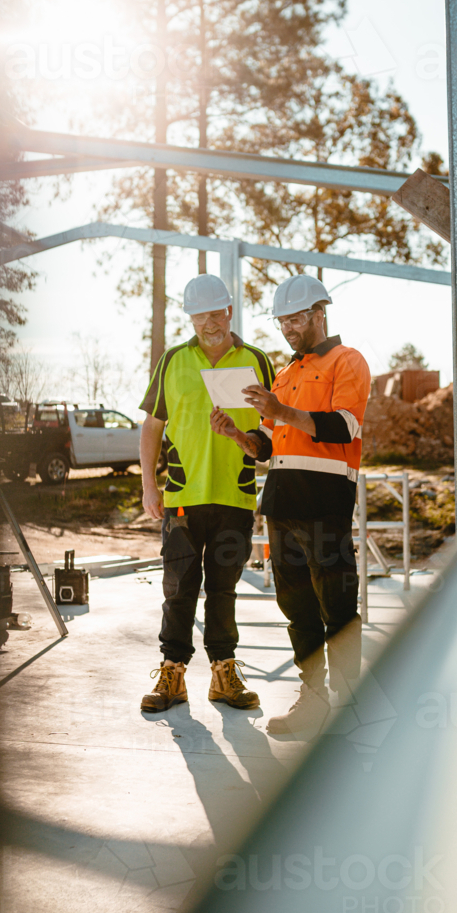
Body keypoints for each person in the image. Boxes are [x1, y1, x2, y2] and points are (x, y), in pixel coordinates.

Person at [210, 276, 371, 735]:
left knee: (337, 609)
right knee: (297, 609)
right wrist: (236, 435)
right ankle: (314, 700)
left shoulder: (348, 360)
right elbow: (266, 446)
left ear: (319, 314)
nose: (287, 329)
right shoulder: (284, 375)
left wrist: (279, 411)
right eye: (281, 321)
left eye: (295, 319)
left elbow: (343, 427)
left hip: (325, 504)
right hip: (281, 503)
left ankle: (348, 709)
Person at [139, 273, 275, 714]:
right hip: (182, 495)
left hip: (235, 497)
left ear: (229, 311)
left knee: (223, 589)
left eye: (216, 314)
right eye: (200, 316)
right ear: (191, 318)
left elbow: (272, 431)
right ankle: (172, 674)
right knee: (178, 588)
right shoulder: (173, 360)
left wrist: (243, 439)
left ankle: (223, 674)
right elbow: (153, 426)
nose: (209, 324)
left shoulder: (257, 360)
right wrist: (148, 485)